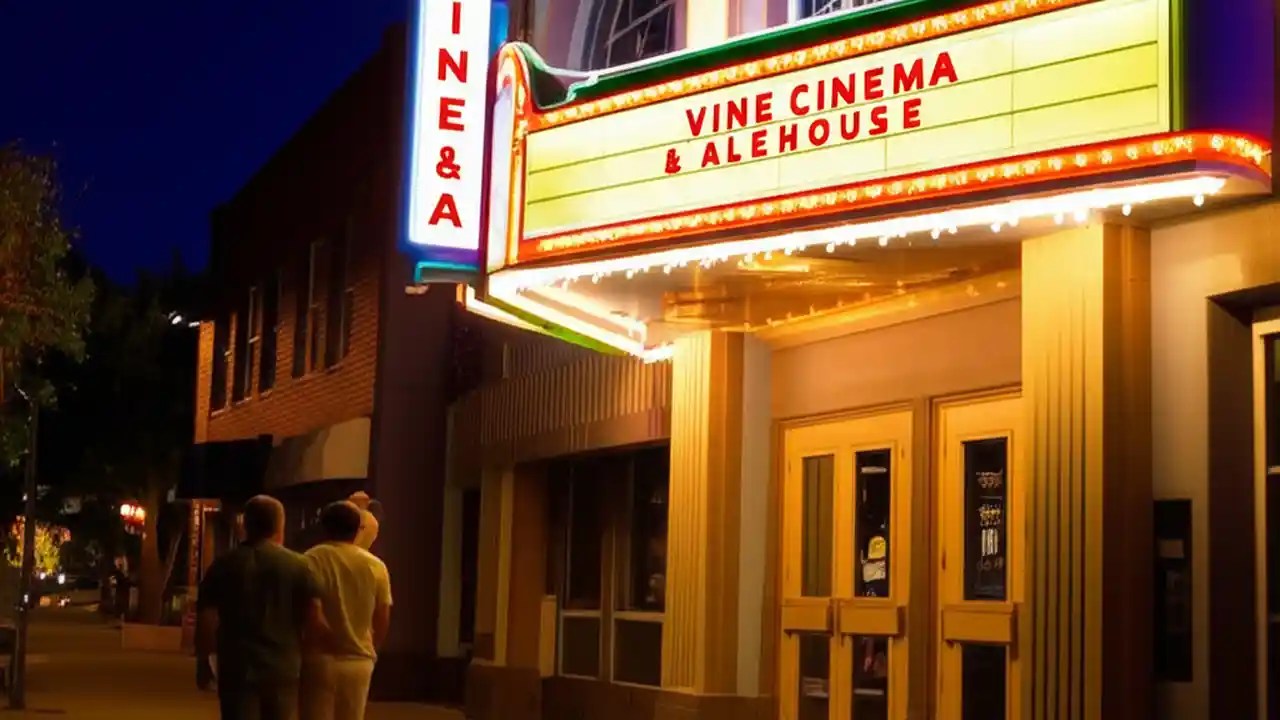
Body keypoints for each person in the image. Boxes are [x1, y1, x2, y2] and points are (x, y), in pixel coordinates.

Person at [196, 495, 330, 720]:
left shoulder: (224, 564)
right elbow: (314, 619)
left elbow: (207, 619)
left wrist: (203, 661)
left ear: (245, 525)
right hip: (283, 667)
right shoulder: (300, 566)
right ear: (280, 526)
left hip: (236, 665)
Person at [300, 501, 392, 720]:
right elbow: (382, 615)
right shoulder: (375, 566)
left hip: (319, 658)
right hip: (359, 659)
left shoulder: (311, 559)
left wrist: (327, 640)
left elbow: (310, 611)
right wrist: (372, 646)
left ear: (324, 527)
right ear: (357, 529)